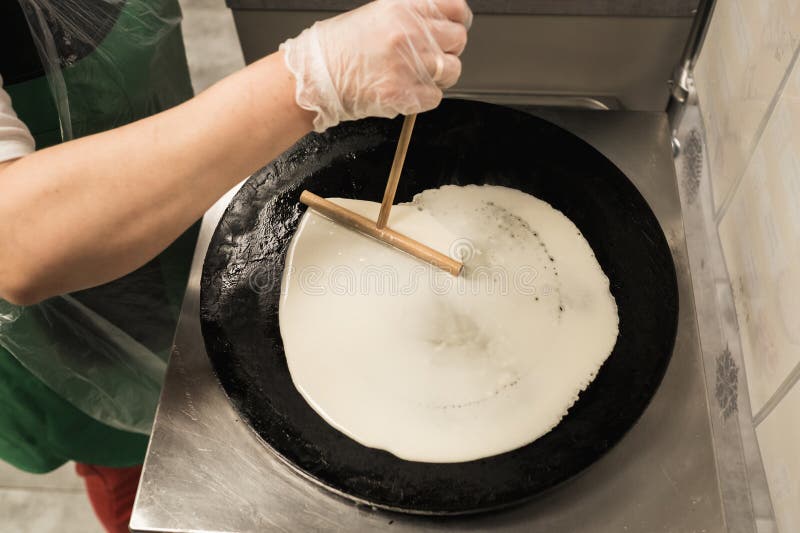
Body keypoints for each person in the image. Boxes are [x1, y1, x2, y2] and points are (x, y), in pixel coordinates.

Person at [0, 0, 471, 531]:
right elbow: (17, 242)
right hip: (67, 327)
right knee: (140, 470)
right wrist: (314, 77)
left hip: (167, 186)